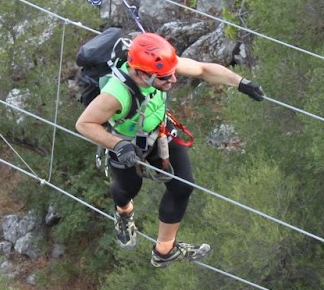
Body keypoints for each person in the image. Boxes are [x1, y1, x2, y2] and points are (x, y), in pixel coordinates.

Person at [75, 32, 265, 267]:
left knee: (183, 186)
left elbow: (203, 70)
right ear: (141, 74)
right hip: (125, 142)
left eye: (172, 74)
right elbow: (84, 124)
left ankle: (164, 250)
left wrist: (241, 83)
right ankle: (123, 213)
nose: (173, 80)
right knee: (127, 190)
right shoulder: (116, 94)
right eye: (165, 78)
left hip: (159, 131)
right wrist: (117, 145)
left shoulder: (160, 69)